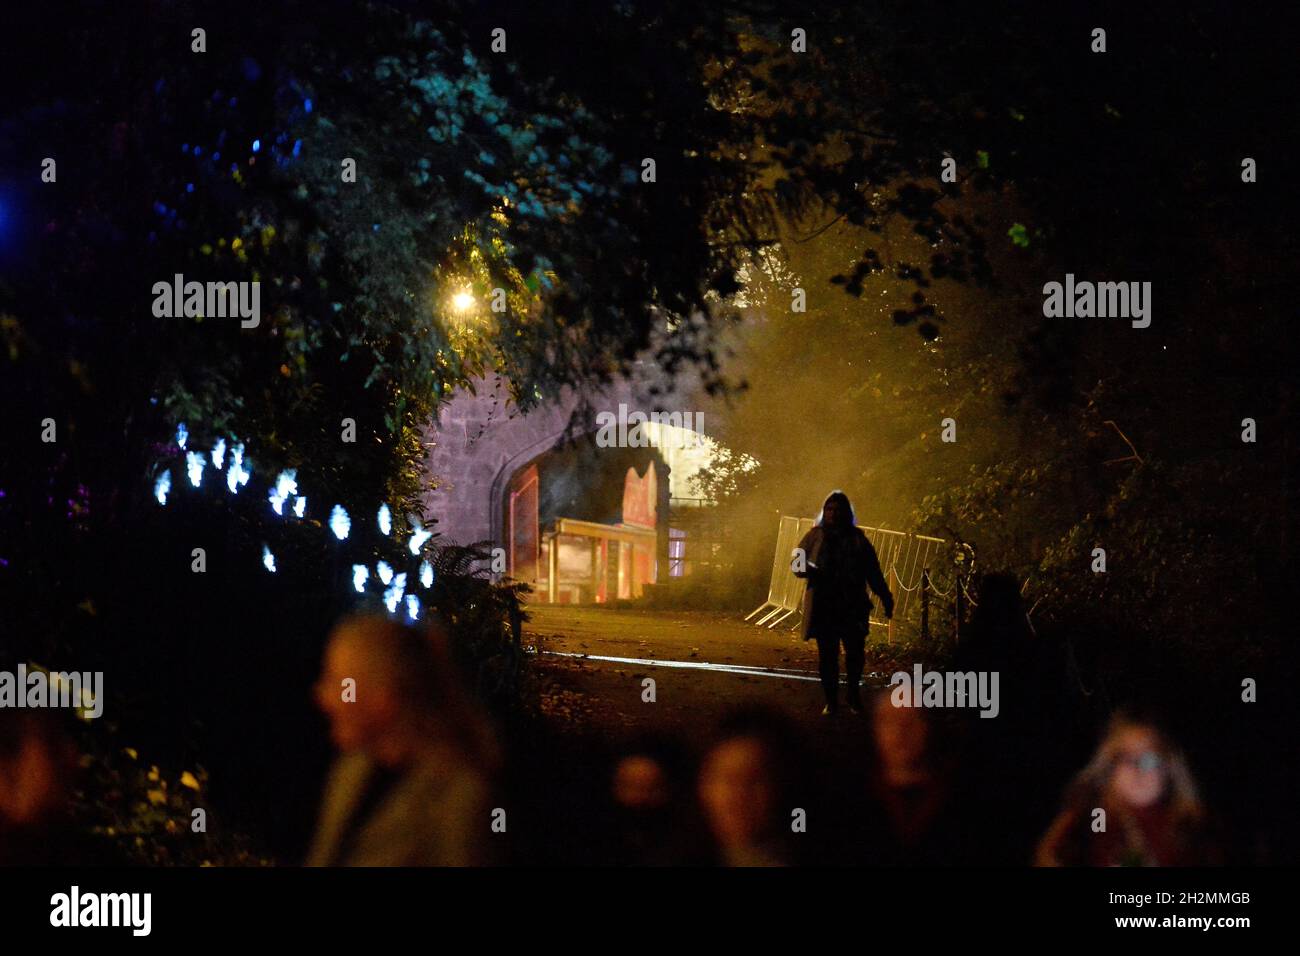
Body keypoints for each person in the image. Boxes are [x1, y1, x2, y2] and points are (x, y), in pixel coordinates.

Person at [306, 613, 500, 866]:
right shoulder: (351, 772)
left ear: (384, 699)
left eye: (339, 685)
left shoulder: (461, 803)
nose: (322, 696)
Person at [1035, 713, 1221, 866]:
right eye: (1125, 759)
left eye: (1149, 760)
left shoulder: (1193, 826)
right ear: (1109, 768)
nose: (1137, 769)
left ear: (1169, 769)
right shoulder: (1086, 820)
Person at [793, 490, 894, 715]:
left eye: (838, 510)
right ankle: (831, 699)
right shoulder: (813, 537)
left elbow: (873, 572)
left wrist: (885, 596)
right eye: (830, 509)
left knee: (854, 654)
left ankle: (853, 695)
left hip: (852, 604)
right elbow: (796, 562)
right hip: (824, 604)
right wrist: (807, 569)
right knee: (827, 655)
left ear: (846, 513)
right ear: (824, 512)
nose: (833, 514)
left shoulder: (858, 539)